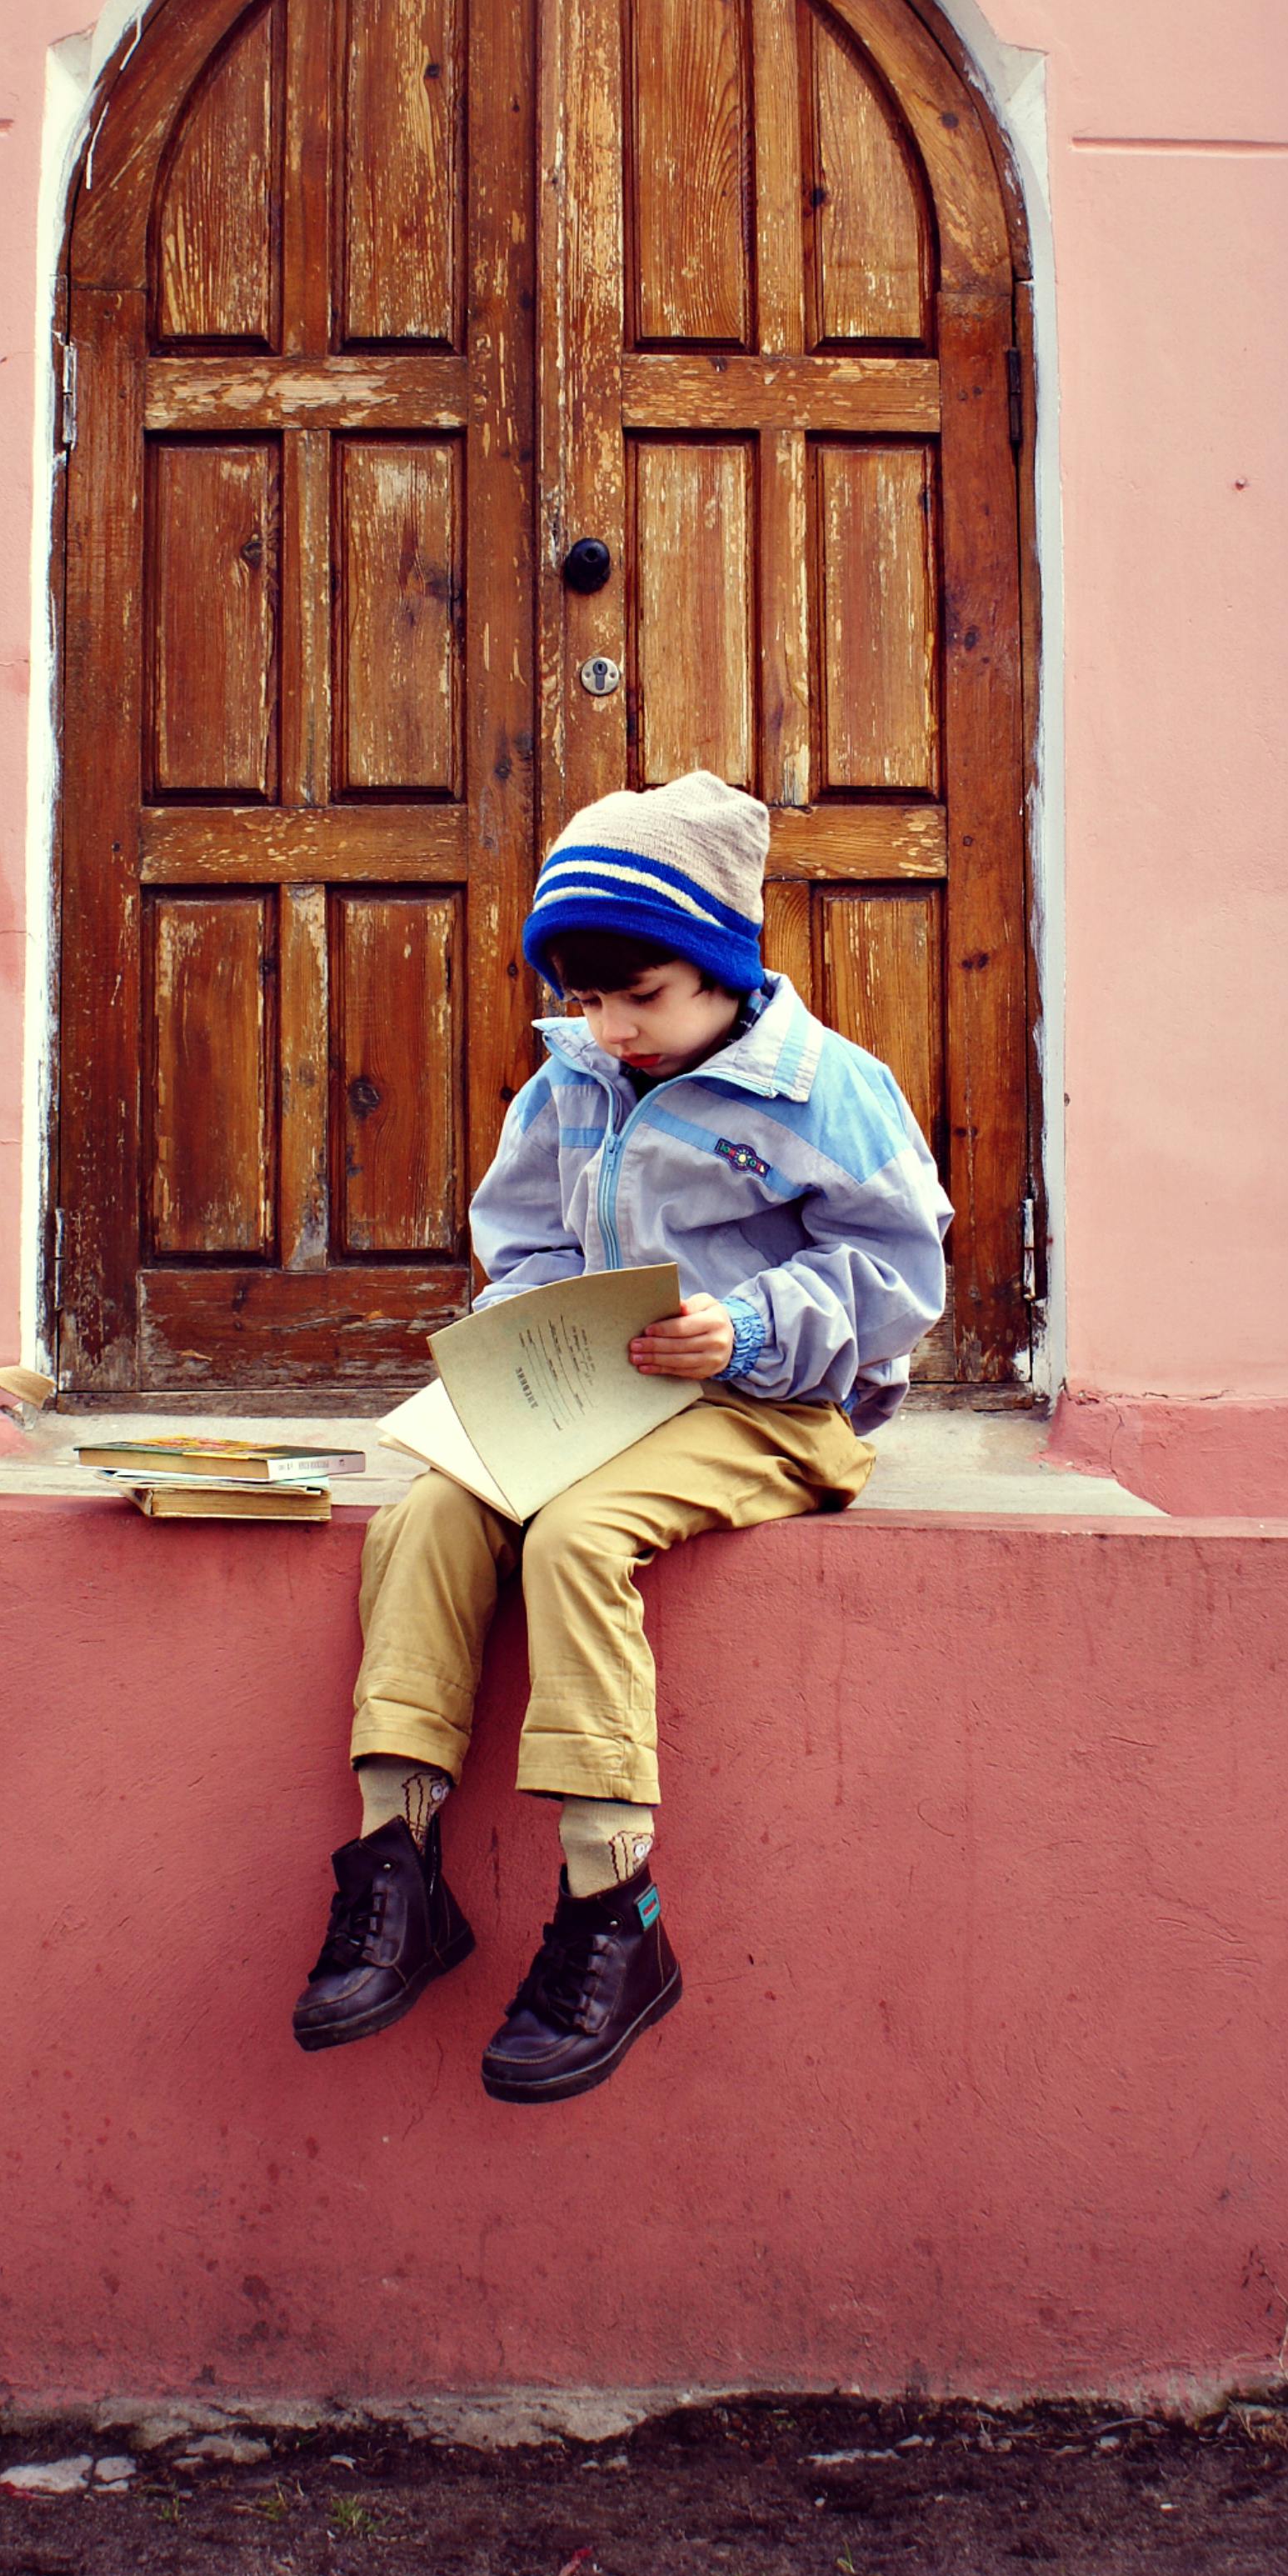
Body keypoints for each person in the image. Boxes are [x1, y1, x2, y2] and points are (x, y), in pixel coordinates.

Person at [291, 771, 951, 2103]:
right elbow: (522, 1231)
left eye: (641, 996)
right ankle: (395, 1866)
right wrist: (529, 1328)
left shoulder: (827, 1088)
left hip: (769, 1410)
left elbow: (901, 1273)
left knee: (576, 1538)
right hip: (596, 1398)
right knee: (430, 1507)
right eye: (588, 1000)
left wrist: (755, 1323)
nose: (612, 1027)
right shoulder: (572, 1076)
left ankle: (612, 1908)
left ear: (719, 965)